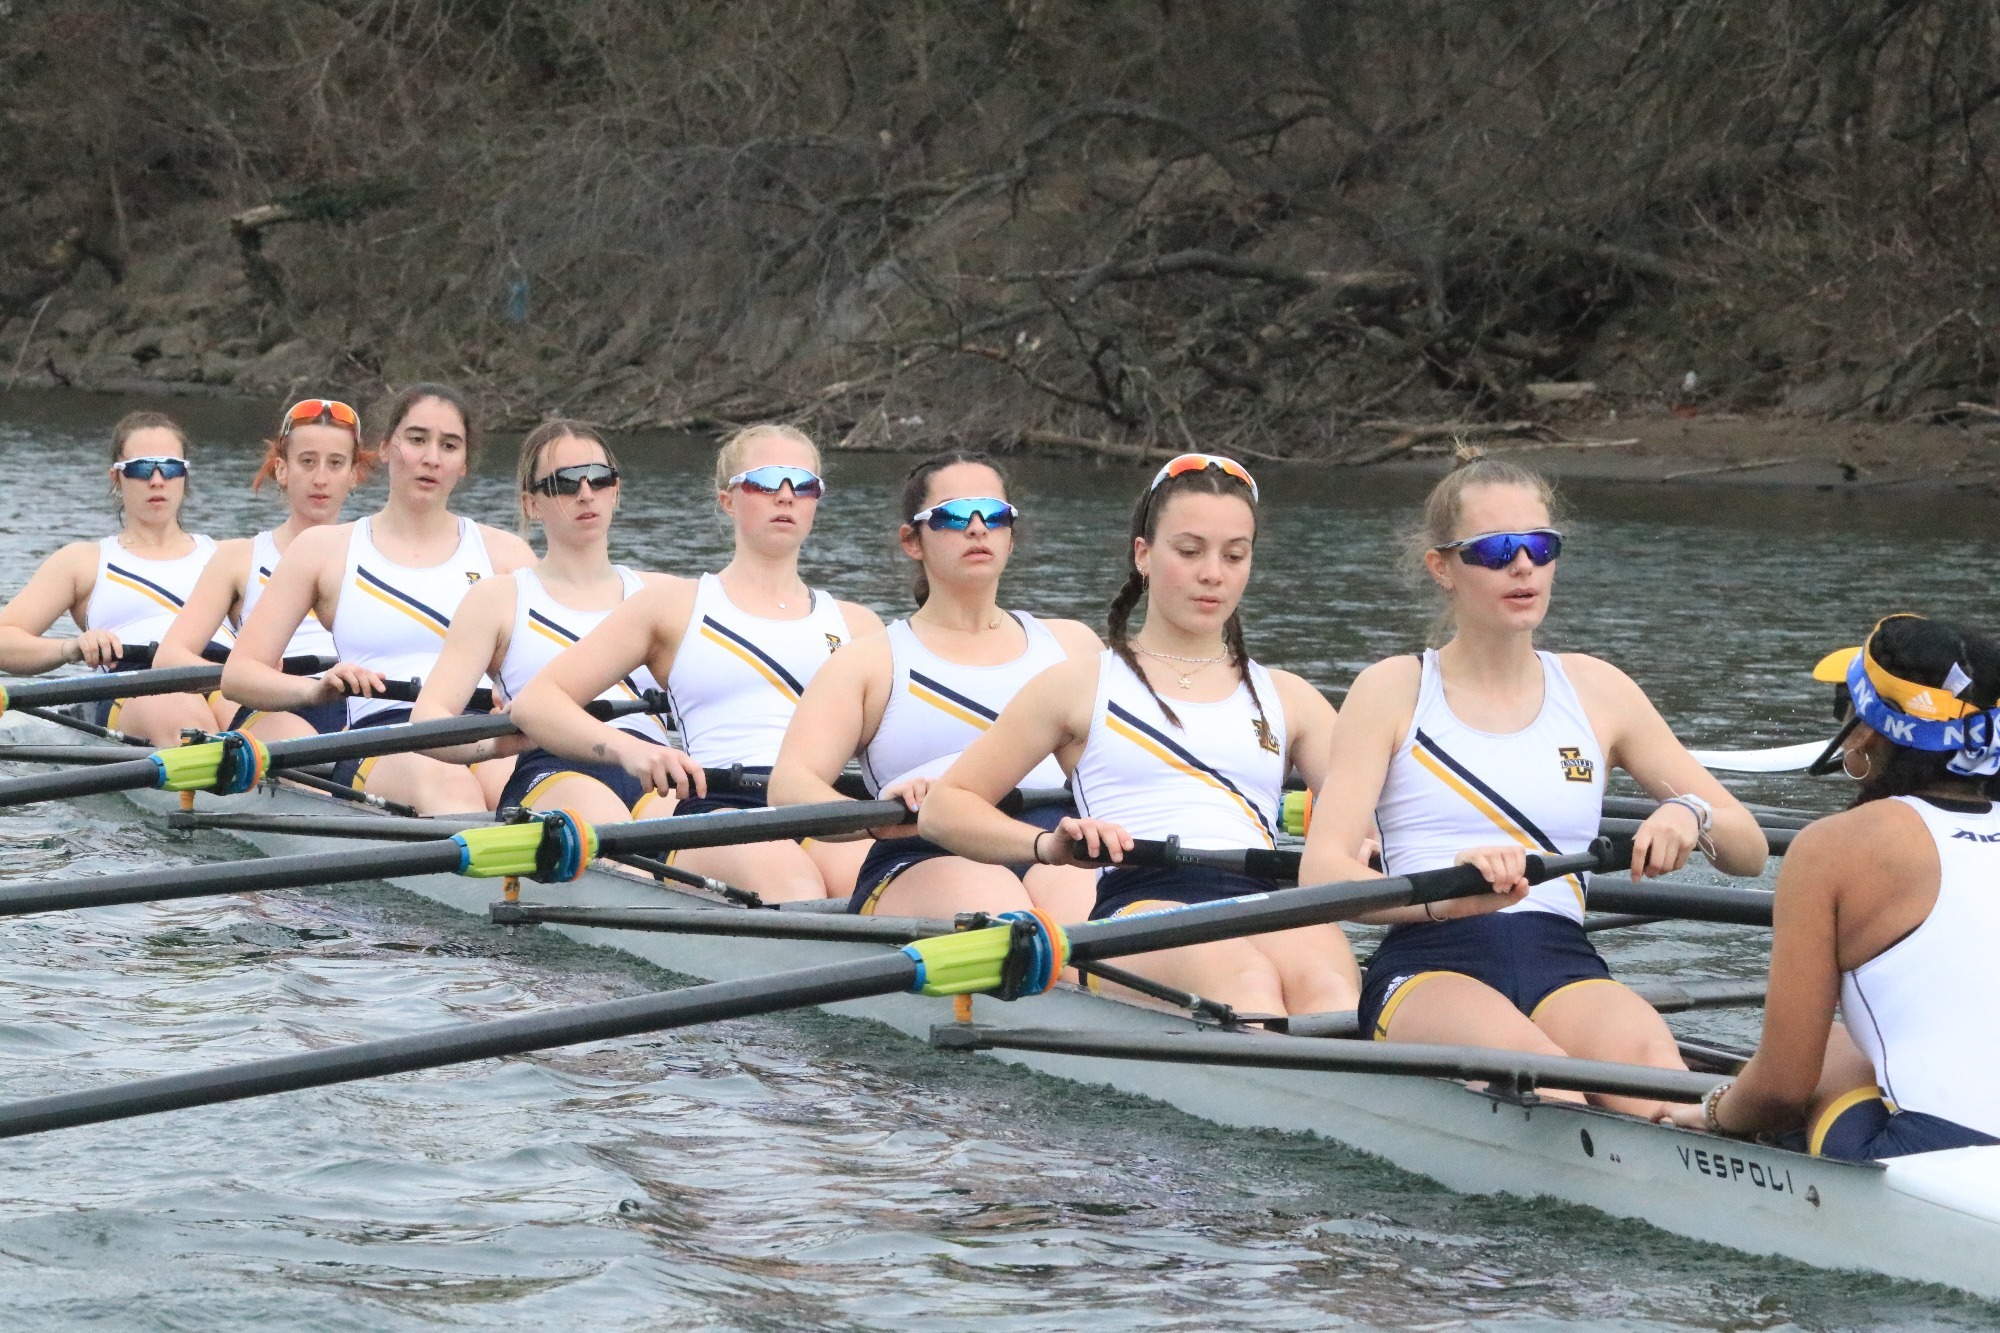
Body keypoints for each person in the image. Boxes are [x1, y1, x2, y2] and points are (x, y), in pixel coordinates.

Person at [1298, 456, 1766, 1114]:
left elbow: (1747, 851)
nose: (1523, 566)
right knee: (1550, 1087)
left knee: (1662, 1082)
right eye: (1494, 550)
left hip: (1561, 959)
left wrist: (1692, 814)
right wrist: (1446, 892)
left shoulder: (1599, 691)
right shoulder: (1393, 689)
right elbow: (1320, 875)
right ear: (1443, 568)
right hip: (1429, 962)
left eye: (1540, 547)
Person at [918, 453, 1343, 1015]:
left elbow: (1384, 819)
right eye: (1189, 551)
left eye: (1234, 555)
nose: (1212, 572)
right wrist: (1048, 847)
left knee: (1332, 994)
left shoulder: (1292, 698)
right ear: (1144, 554)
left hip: (1263, 897)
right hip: (1139, 906)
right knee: (1247, 985)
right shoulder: (1078, 686)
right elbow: (946, 807)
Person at [1661, 614, 2000, 1158]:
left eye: (1843, 700)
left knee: (1833, 1052)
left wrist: (1712, 1110)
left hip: (1936, 1160)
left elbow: (1781, 1085)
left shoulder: (1832, 847)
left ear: (1864, 730)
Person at [512, 424, 882, 901]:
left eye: (803, 485)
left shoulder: (861, 626)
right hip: (718, 807)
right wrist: (631, 751)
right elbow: (538, 702)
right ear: (728, 500)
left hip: (825, 809)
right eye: (768, 481)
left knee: (872, 887)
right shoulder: (673, 607)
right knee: (795, 887)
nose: (786, 497)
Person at [769, 450, 1101, 920]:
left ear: (1011, 537)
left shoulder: (1074, 646)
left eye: (995, 515)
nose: (977, 527)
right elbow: (789, 788)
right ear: (912, 541)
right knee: (1007, 917)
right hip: (924, 848)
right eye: (953, 515)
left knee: (1085, 919)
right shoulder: (870, 661)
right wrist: (876, 822)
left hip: (1058, 843)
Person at [221, 384, 536, 814]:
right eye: (417, 439)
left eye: (449, 445)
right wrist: (316, 691)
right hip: (383, 737)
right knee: (452, 789)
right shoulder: (325, 550)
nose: (431, 458)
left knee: (527, 798)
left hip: (485, 733)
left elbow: (546, 677)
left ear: (463, 464)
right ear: (386, 448)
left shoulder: (507, 555)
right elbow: (239, 676)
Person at [408, 420, 678, 823]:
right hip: (552, 768)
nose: (585, 493)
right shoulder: (497, 600)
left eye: (599, 479)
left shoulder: (664, 595)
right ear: (531, 504)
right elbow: (428, 720)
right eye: (564, 483)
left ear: (615, 491)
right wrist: (496, 745)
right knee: (608, 825)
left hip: (652, 768)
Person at [0, 410, 222, 743]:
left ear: (184, 476)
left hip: (224, 679)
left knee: (276, 723)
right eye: (142, 468)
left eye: (171, 467)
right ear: (116, 478)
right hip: (135, 684)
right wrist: (70, 649)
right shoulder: (82, 562)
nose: (157, 480)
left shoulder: (228, 557)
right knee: (183, 713)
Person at [154, 398, 369, 740]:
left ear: (353, 475)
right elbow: (169, 659)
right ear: (282, 470)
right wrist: (249, 674)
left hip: (364, 705)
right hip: (273, 710)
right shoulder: (237, 558)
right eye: (307, 462)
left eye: (336, 463)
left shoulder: (380, 555)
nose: (321, 478)